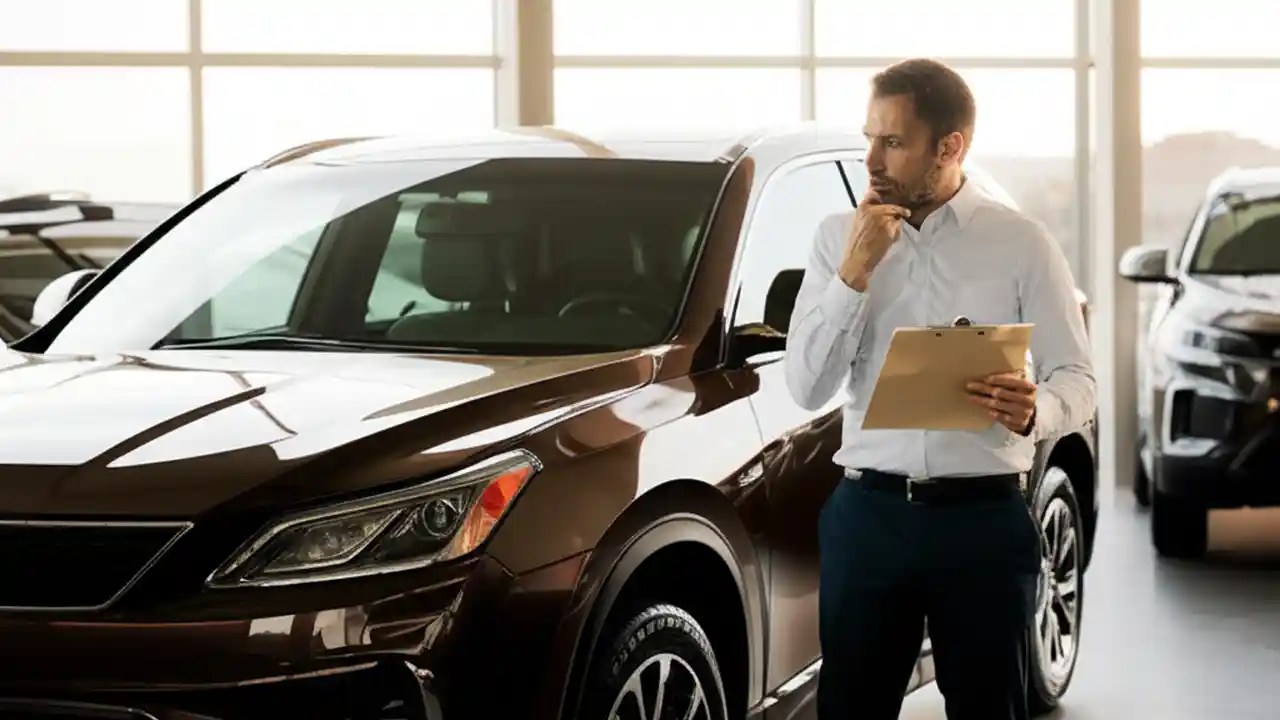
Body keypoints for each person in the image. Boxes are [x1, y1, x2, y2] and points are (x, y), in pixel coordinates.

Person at [783, 58, 1096, 720]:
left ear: (950, 147)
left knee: (990, 708)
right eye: (870, 137)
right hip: (869, 519)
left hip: (984, 522)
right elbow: (807, 388)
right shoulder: (837, 241)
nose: (872, 159)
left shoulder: (1021, 243)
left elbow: (1078, 379)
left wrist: (1037, 410)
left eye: (893, 141)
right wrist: (854, 274)